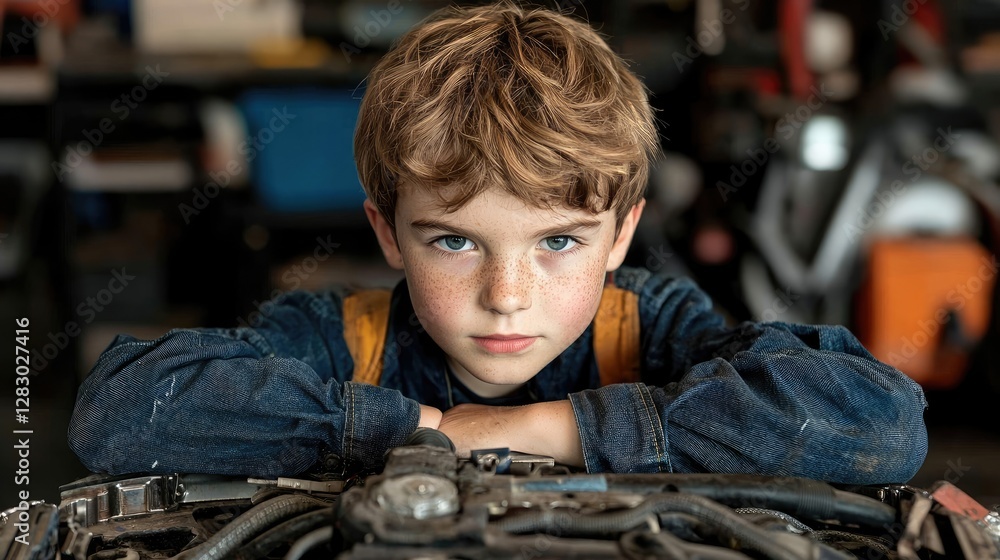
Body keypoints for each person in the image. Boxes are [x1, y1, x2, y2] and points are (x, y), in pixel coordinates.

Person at [68, 2, 927, 483]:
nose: (507, 294)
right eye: (454, 243)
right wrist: (424, 425)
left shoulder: (655, 328)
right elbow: (116, 411)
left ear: (623, 232)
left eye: (558, 241)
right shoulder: (342, 339)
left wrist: (545, 427)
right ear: (388, 233)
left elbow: (881, 422)